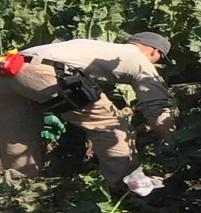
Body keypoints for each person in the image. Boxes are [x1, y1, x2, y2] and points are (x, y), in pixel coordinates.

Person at [0, 32, 178, 188]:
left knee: (18, 140)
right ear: (155, 51)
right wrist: (173, 139)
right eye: (159, 60)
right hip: (46, 71)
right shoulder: (137, 57)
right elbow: (156, 105)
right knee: (111, 125)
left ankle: (20, 194)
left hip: (8, 69)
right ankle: (123, 187)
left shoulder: (96, 47)